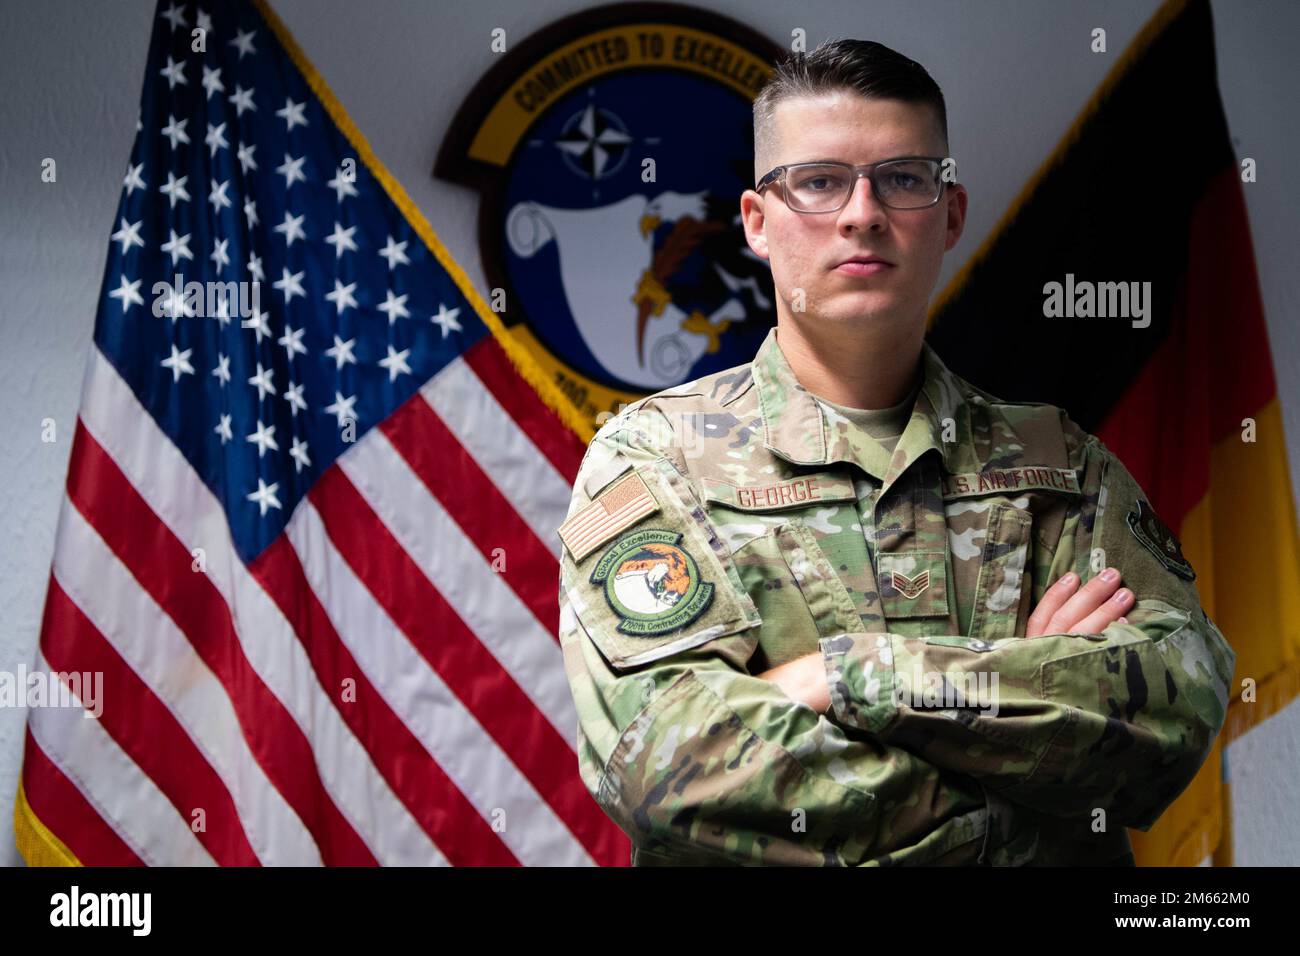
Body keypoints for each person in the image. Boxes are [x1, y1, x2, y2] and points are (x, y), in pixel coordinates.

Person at [555, 38, 1235, 866]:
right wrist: (1017, 742)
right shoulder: (659, 459)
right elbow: (672, 765)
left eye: (904, 178)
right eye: (819, 181)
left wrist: (850, 677)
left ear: (950, 215)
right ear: (757, 223)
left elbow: (1175, 710)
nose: (862, 212)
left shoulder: (1059, 460)